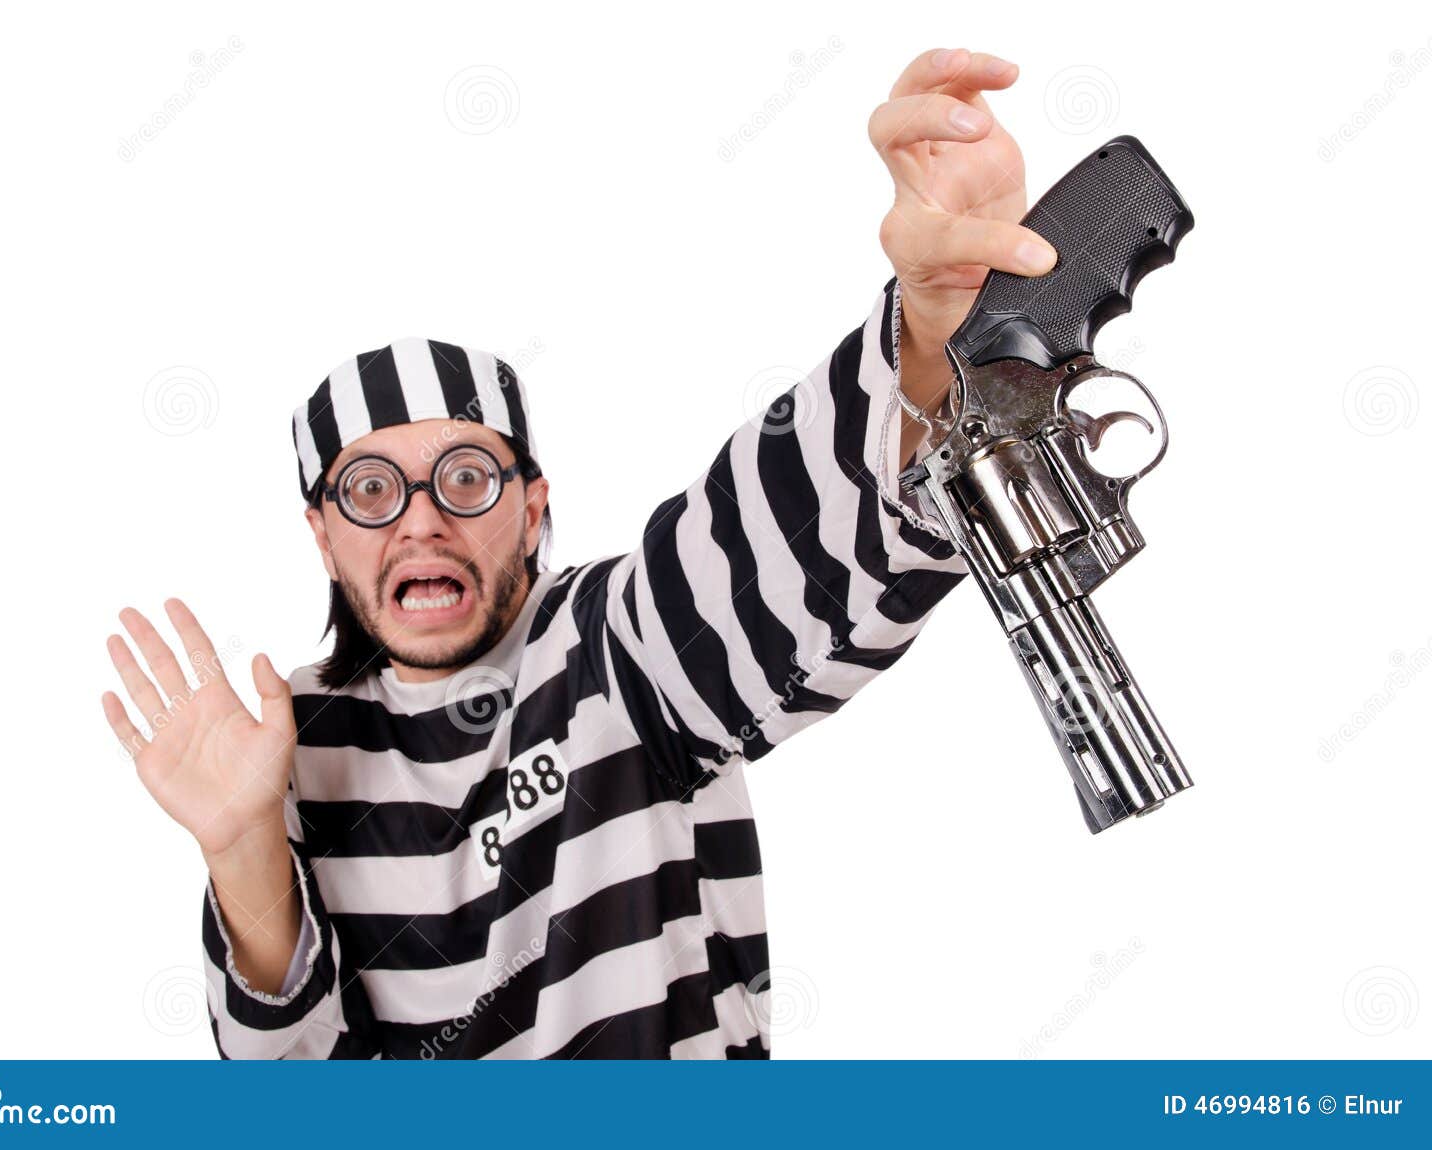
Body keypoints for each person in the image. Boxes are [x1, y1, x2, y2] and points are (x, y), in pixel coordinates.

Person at [99, 47, 1060, 1058]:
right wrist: (239, 839)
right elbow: (287, 1079)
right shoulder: (287, 744)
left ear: (529, 504)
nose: (420, 521)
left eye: (464, 477)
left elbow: (772, 539)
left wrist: (932, 328)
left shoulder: (611, 652)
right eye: (371, 491)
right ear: (323, 533)